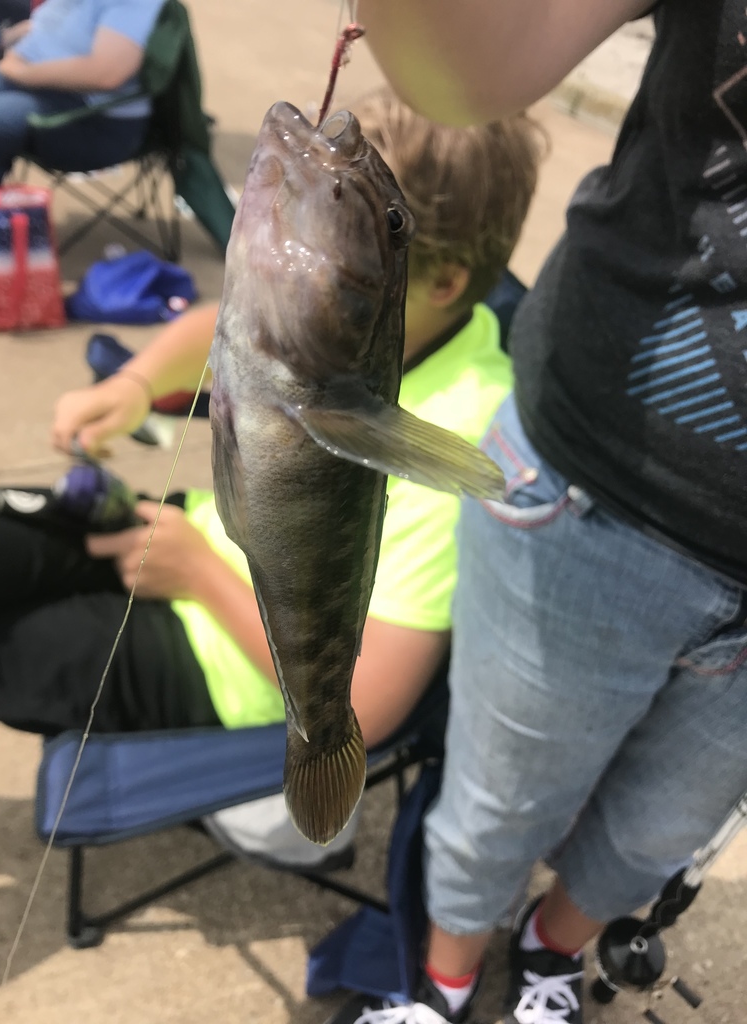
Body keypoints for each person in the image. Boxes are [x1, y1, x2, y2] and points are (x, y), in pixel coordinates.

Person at [323, 4, 747, 1024]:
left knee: (657, 834)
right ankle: (448, 981)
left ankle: (546, 949)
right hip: (595, 490)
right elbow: (468, 65)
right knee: (497, 806)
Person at [0, 87, 542, 834]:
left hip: (224, 661)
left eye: (383, 217)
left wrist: (197, 575)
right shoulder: (307, 336)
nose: (321, 181)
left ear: (439, 281)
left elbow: (368, 703)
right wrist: (134, 383)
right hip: (190, 541)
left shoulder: (477, 419)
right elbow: (230, 324)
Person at [0, 0, 165, 185]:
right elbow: (54, 21)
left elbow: (106, 74)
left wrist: (21, 72)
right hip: (34, 82)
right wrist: (8, 38)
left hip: (91, 117)